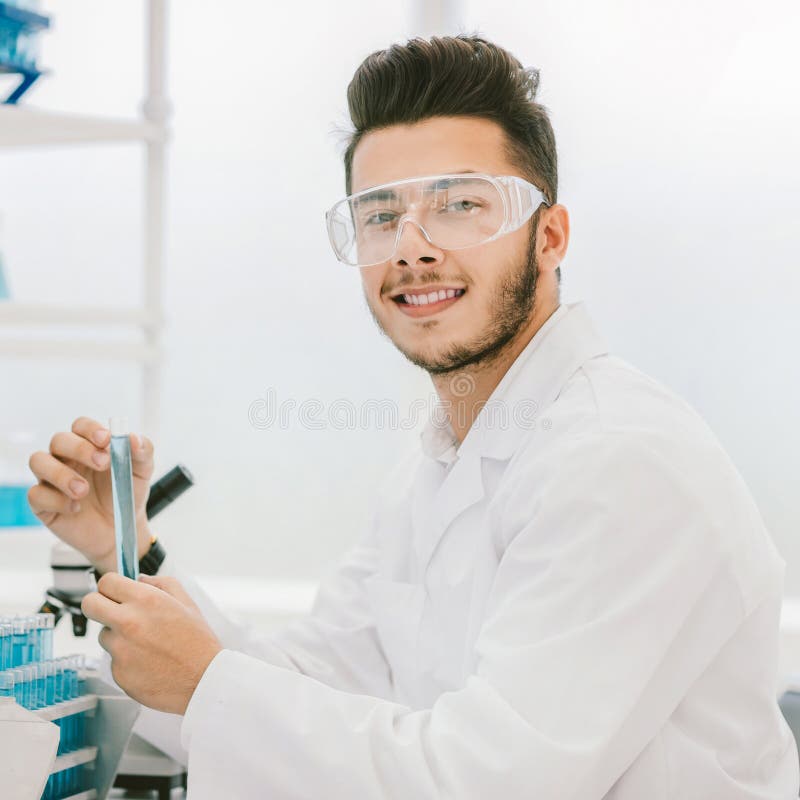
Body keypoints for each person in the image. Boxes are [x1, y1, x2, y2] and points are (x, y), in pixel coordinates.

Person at [26, 34, 799, 799]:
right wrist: (122, 543)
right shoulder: (442, 459)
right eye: (380, 215)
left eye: (462, 205)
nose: (414, 248)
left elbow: (487, 783)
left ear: (551, 237)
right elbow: (313, 678)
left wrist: (206, 685)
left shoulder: (620, 461)